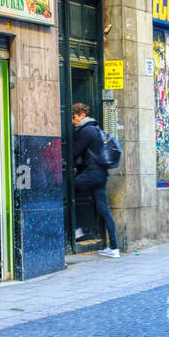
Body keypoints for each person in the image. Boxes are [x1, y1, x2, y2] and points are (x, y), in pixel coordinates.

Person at [72, 102, 120, 257]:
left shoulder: (87, 131)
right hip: (100, 174)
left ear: (82, 115)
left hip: (92, 174)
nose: (73, 121)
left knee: (67, 190)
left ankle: (77, 229)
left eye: (74, 117)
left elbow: (75, 152)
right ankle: (114, 247)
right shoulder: (96, 130)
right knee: (104, 209)